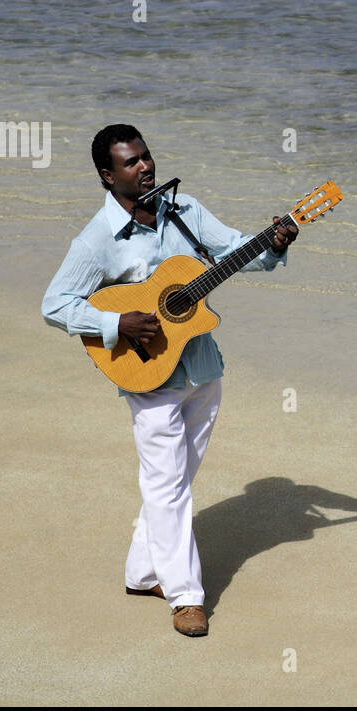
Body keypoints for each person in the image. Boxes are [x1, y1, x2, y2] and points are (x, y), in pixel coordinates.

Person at [41, 124, 297, 636]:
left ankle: (141, 573)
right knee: (167, 486)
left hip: (202, 365)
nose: (145, 166)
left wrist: (273, 243)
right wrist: (117, 323)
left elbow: (235, 251)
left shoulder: (185, 211)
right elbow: (55, 305)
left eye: (146, 156)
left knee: (174, 483)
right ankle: (186, 597)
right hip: (148, 375)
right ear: (107, 176)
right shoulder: (97, 240)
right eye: (131, 162)